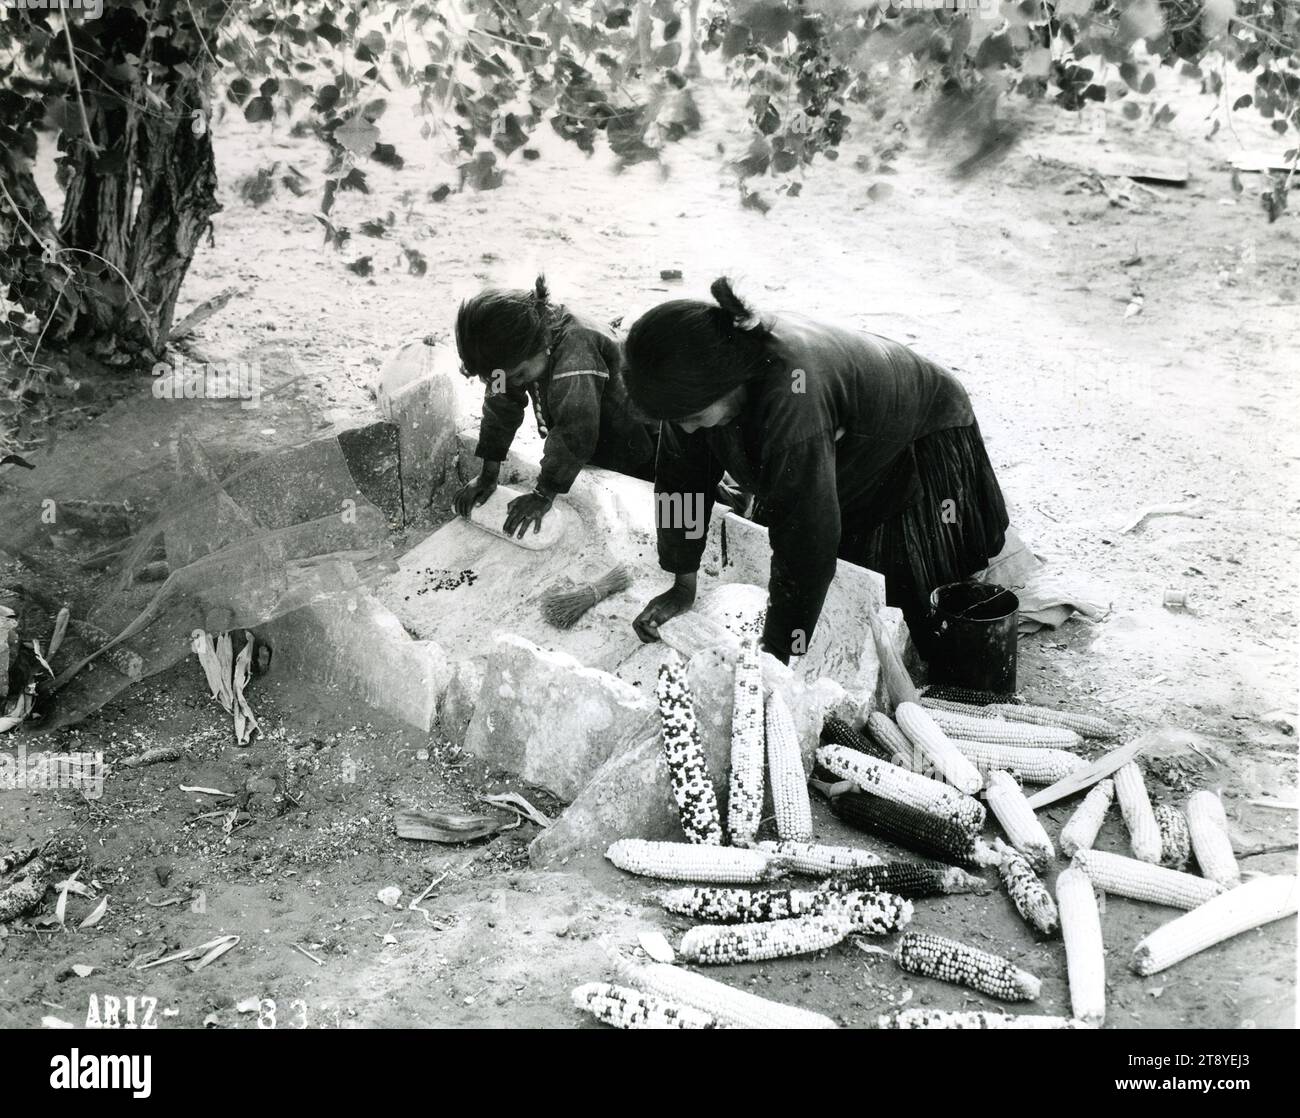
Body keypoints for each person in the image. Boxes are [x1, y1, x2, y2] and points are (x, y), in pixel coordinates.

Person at [623, 277, 1009, 663]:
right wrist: (682, 581)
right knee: (805, 544)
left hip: (918, 428)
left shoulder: (793, 398)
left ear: (728, 385)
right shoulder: (690, 389)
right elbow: (680, 484)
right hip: (835, 432)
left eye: (693, 417)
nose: (687, 428)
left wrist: (778, 652)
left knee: (908, 615)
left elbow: (805, 537)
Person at [452, 277, 656, 537]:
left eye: (518, 376)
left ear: (540, 344)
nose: (513, 382)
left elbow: (575, 431)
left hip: (638, 439)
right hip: (596, 437)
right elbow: (501, 405)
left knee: (665, 497)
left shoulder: (576, 352)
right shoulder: (510, 357)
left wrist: (542, 494)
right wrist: (488, 475)